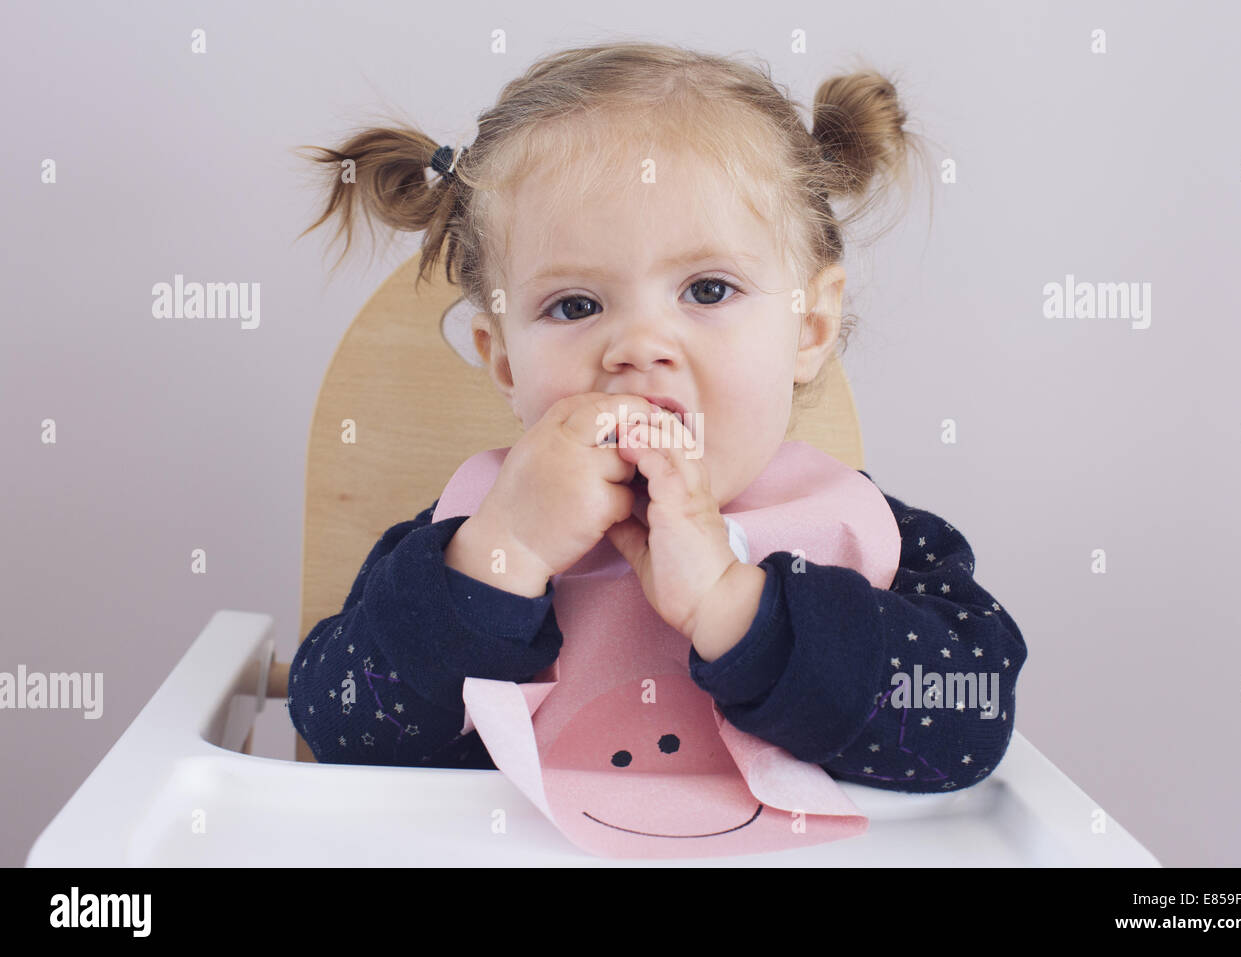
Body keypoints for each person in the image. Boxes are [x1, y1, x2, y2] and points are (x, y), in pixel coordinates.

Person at [288, 41, 1026, 793]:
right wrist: (499, 556)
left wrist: (737, 608)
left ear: (809, 327)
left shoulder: (858, 536)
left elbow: (974, 714)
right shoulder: (471, 536)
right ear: (504, 361)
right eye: (574, 305)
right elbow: (336, 727)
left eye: (707, 290)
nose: (638, 346)